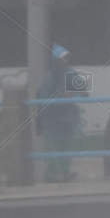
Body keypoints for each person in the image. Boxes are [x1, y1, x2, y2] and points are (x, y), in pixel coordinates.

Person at [37, 43, 84, 183]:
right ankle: (51, 175)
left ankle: (64, 172)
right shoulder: (48, 78)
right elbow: (43, 98)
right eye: (61, 59)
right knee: (54, 147)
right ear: (55, 60)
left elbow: (83, 92)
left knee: (66, 147)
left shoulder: (70, 73)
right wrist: (62, 97)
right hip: (52, 119)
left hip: (68, 117)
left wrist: (75, 93)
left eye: (66, 58)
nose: (64, 61)